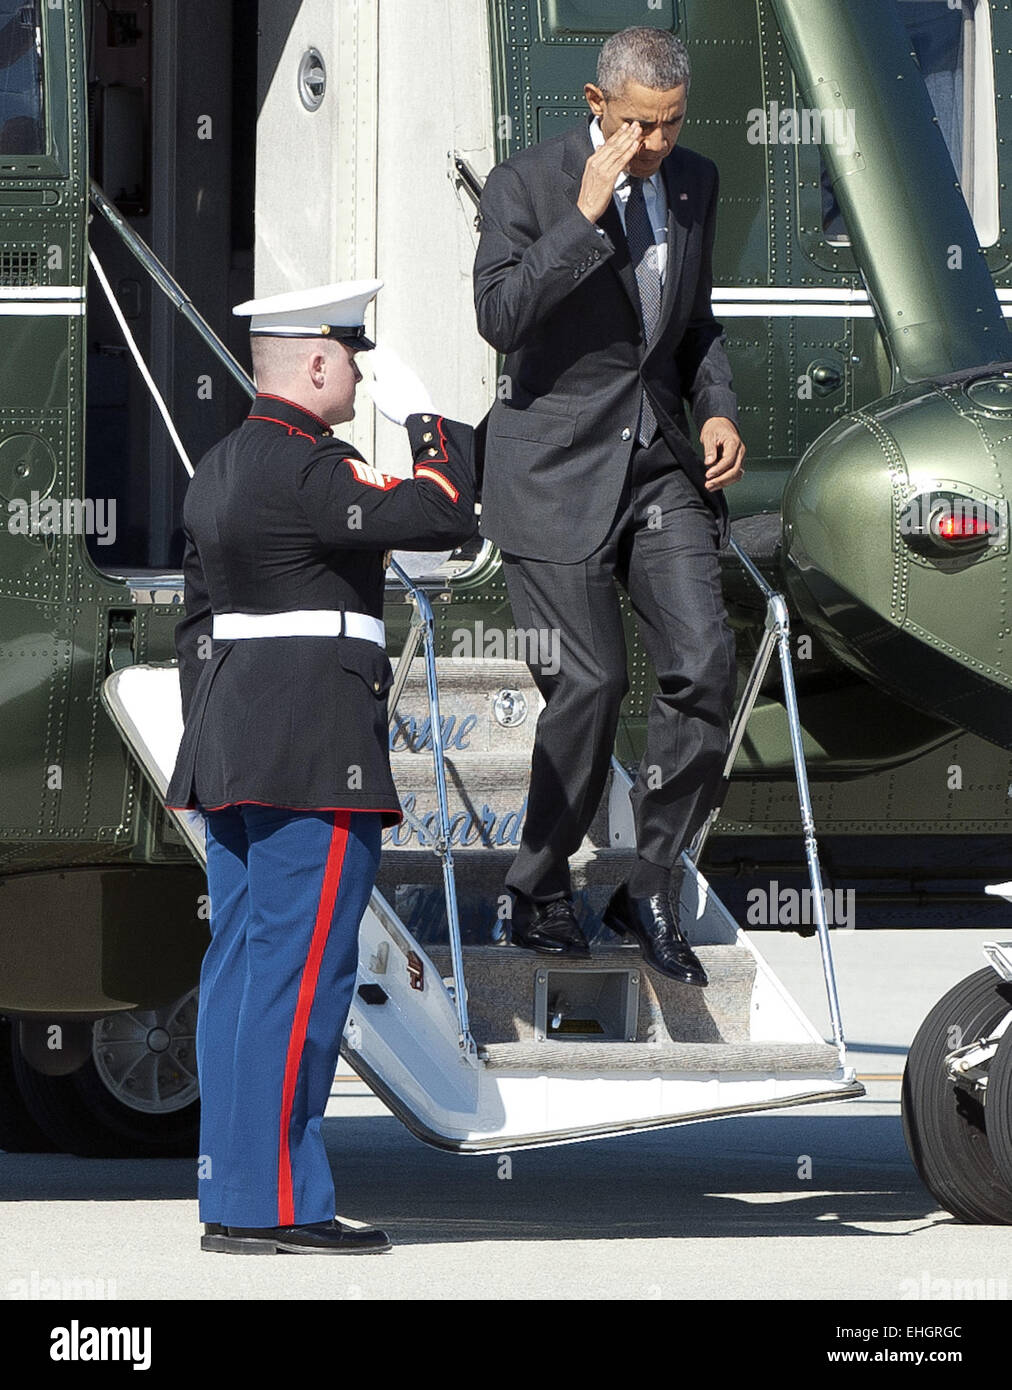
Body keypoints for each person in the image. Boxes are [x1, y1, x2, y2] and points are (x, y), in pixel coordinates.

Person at [164, 280, 477, 1254]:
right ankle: (282, 1206)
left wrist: (215, 737)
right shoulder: (308, 468)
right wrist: (427, 421)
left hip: (233, 755)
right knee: (301, 980)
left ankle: (233, 1195)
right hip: (310, 762)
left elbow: (194, 628)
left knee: (240, 975)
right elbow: (443, 516)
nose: (361, 370)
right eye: (354, 354)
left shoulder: (215, 468)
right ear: (315, 364)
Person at [473, 27, 744, 985]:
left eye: (671, 124)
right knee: (588, 685)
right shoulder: (529, 185)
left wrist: (716, 410)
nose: (657, 143)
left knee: (706, 665)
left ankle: (652, 883)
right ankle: (539, 885)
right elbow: (501, 319)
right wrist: (585, 218)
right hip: (550, 472)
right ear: (598, 104)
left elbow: (694, 325)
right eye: (639, 125)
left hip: (659, 466)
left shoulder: (695, 181)